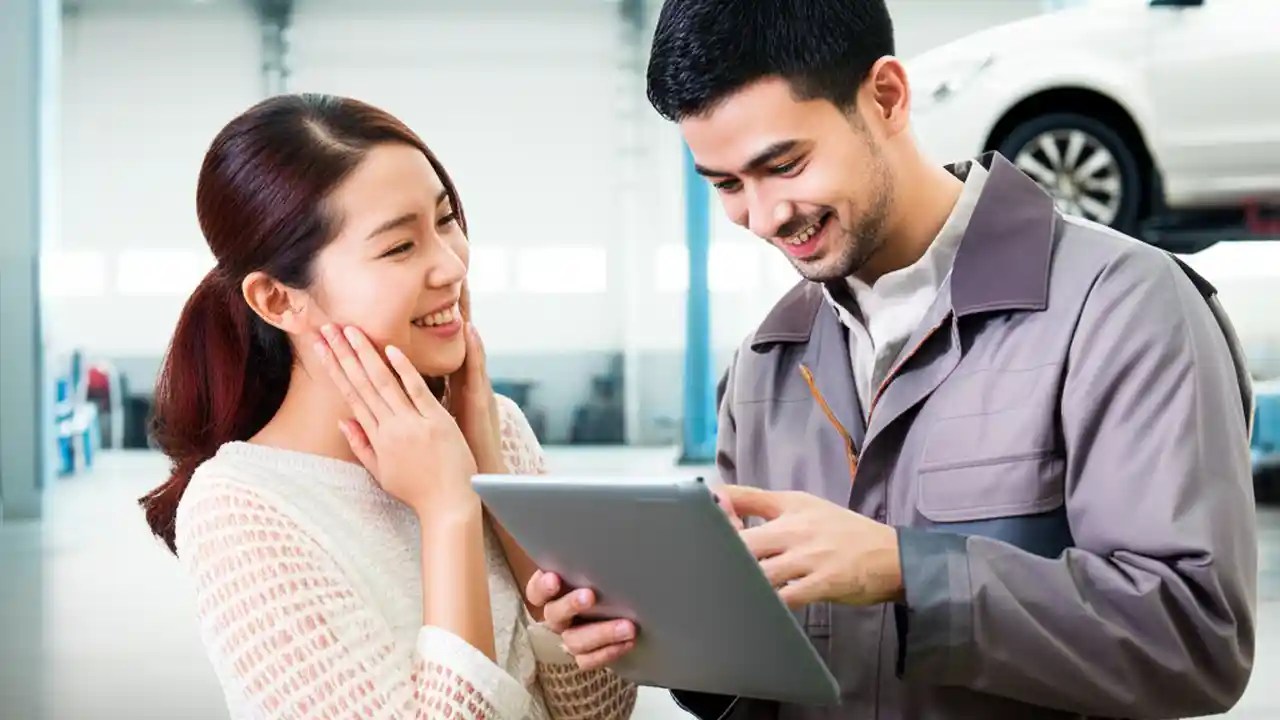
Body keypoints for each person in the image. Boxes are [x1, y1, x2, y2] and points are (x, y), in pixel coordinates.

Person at [526, 1, 1259, 718]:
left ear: (885, 97)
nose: (763, 215)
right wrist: (659, 626)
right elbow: (762, 678)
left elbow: (1196, 639)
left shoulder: (1120, 307)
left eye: (784, 164)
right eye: (726, 184)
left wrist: (905, 570)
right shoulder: (764, 364)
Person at [137, 93, 637, 720]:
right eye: (400, 247)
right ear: (278, 300)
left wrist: (491, 470)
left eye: (446, 220)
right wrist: (450, 508)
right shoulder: (240, 508)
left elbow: (599, 710)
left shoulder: (496, 427)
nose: (451, 265)